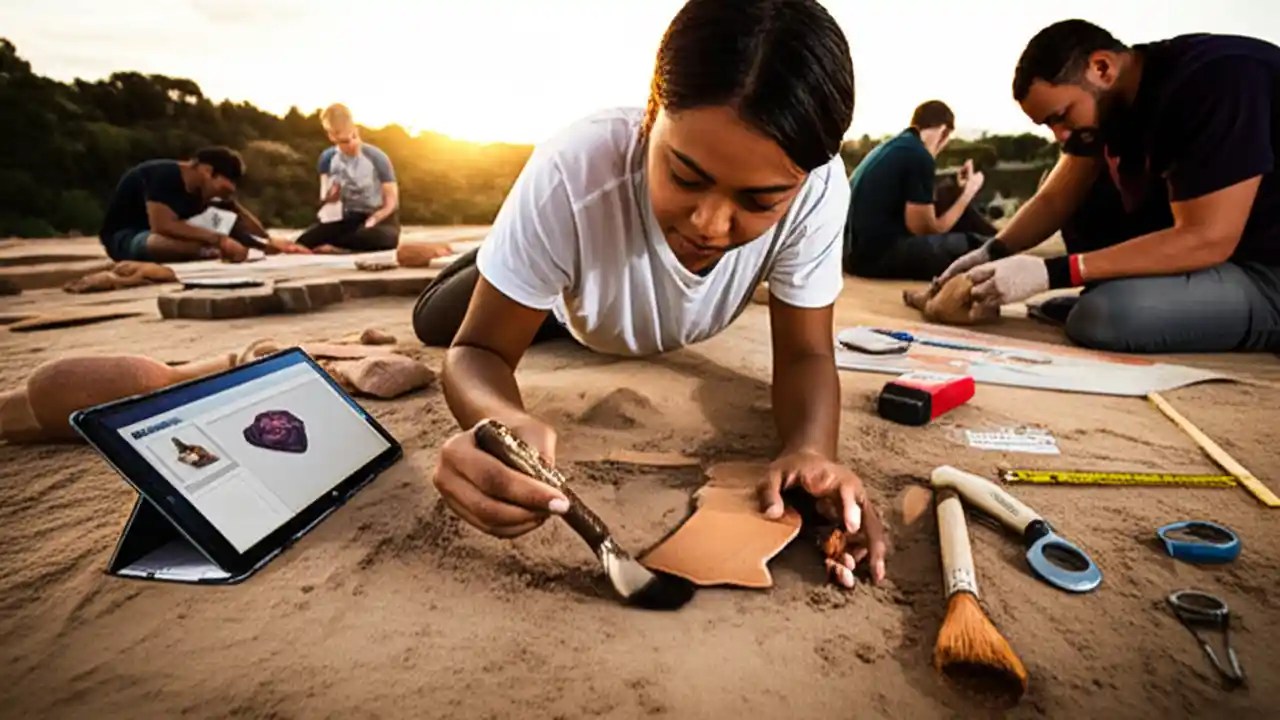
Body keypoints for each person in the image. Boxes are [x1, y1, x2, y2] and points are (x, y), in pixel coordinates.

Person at [417, 0, 886, 588]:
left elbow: (806, 355)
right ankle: (496, 257)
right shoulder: (573, 171)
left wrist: (813, 449)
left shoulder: (819, 193)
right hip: (569, 306)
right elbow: (476, 350)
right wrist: (503, 417)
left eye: (759, 201)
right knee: (435, 319)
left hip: (639, 311)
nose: (710, 225)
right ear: (650, 114)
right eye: (686, 177)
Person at [936, 19, 1280, 353]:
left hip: (1264, 269)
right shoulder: (1117, 99)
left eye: (1061, 115)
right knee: (1084, 194)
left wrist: (1051, 272)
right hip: (1221, 254)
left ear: (1101, 68)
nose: (1060, 135)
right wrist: (991, 253)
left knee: (1104, 317)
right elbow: (1056, 198)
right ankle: (1170, 298)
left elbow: (1208, 238)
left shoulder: (1214, 82)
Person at [844, 101, 995, 280]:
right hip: (875, 258)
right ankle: (1002, 243)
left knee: (949, 193)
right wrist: (969, 192)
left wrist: (957, 189)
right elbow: (927, 229)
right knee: (976, 247)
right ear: (944, 133)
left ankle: (998, 238)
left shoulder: (893, 147)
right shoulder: (919, 155)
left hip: (852, 254)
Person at [98, 147, 304, 263]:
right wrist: (219, 240)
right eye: (225, 184)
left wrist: (269, 241)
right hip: (129, 237)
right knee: (159, 242)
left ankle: (204, 251)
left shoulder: (203, 192)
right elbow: (163, 226)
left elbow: (236, 216)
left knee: (221, 229)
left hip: (169, 236)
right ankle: (205, 252)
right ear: (207, 171)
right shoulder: (163, 176)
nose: (225, 192)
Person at [295, 104, 401, 253]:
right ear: (331, 136)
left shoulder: (377, 157)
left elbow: (391, 202)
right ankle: (340, 245)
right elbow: (323, 198)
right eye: (343, 141)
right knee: (304, 241)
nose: (350, 144)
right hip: (347, 218)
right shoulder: (328, 158)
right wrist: (331, 197)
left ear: (355, 130)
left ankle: (338, 247)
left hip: (380, 220)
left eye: (353, 137)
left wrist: (375, 219)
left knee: (378, 238)